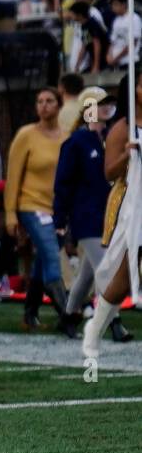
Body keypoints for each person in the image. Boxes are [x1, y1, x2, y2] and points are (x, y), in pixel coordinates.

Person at [56, 86, 129, 342]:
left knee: (87, 275)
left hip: (107, 216)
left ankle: (67, 316)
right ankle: (114, 324)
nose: (106, 107)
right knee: (106, 270)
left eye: (108, 103)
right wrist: (60, 219)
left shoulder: (112, 136)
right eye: (100, 103)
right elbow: (62, 184)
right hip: (85, 217)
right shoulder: (76, 142)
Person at [81, 76, 142, 359]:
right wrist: (128, 155)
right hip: (131, 201)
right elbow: (108, 173)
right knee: (122, 280)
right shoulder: (123, 128)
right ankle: (95, 328)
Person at [6, 87, 69, 330]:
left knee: (43, 261)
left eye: (49, 100)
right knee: (52, 256)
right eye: (39, 101)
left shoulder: (66, 138)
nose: (43, 105)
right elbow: (13, 176)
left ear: (59, 105)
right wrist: (11, 213)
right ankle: (67, 314)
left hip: (58, 210)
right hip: (31, 205)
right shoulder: (26, 135)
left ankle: (30, 313)